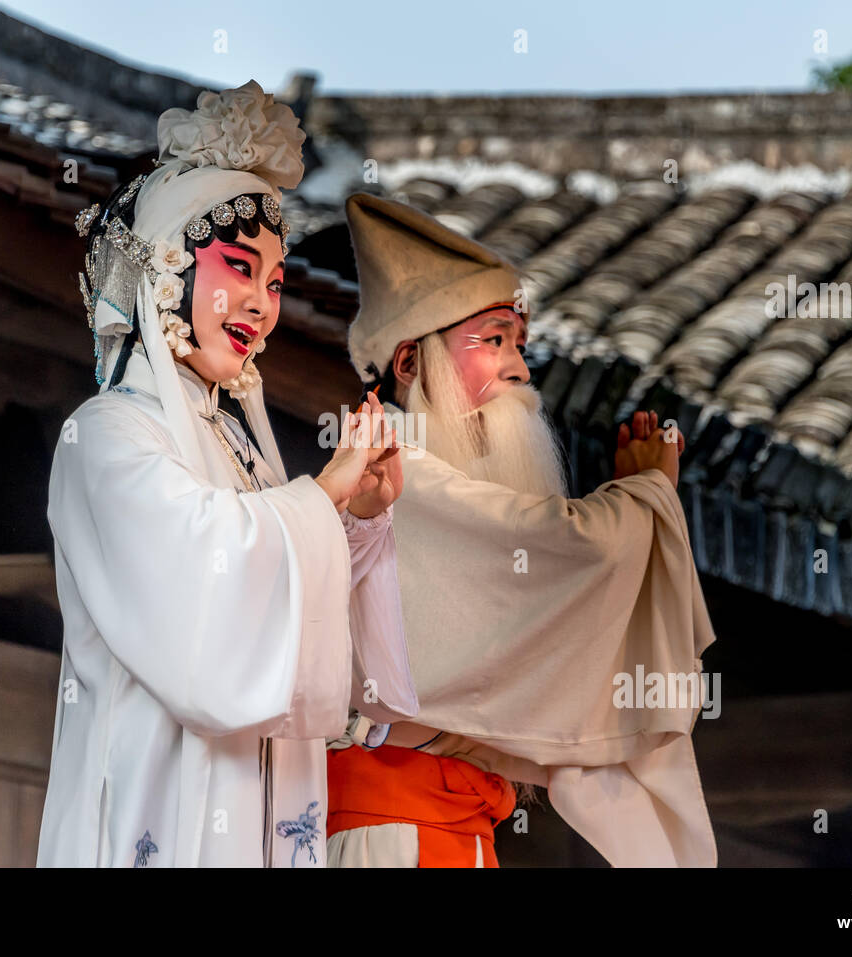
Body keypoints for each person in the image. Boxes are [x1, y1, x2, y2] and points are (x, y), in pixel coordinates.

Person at [36, 85, 416, 868]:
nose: (261, 306)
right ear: (167, 266)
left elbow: (279, 613)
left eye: (274, 284)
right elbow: (201, 587)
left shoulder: (244, 447)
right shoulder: (106, 435)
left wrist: (355, 524)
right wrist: (321, 497)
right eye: (238, 269)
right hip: (156, 812)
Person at [326, 192, 717, 868]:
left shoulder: (440, 483)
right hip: (392, 832)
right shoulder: (391, 475)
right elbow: (570, 547)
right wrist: (649, 490)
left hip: (458, 829)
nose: (520, 369)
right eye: (493, 341)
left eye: (519, 344)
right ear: (411, 363)